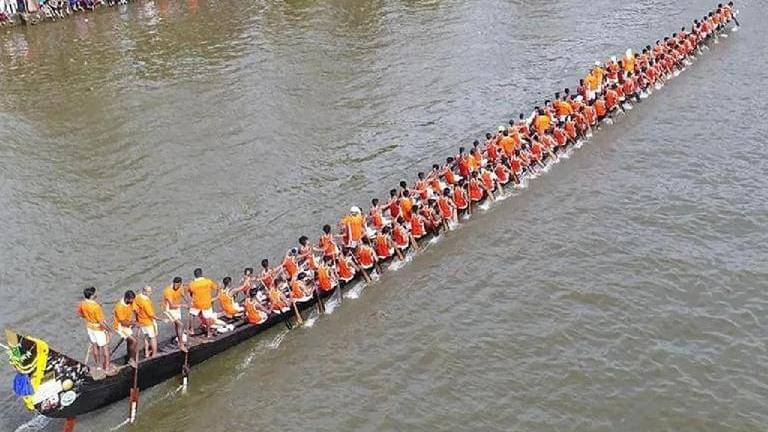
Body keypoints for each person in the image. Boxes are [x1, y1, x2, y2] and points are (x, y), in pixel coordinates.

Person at [76, 287, 113, 372]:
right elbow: (101, 322)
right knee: (105, 348)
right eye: (94, 293)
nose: (96, 294)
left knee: (94, 346)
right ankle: (107, 368)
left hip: (89, 327)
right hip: (98, 329)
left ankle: (98, 366)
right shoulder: (96, 307)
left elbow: (79, 314)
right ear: (92, 296)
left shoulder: (82, 303)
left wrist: (88, 317)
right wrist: (109, 330)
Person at [187, 268, 219, 338]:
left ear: (195, 275)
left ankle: (192, 330)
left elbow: (189, 292)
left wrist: (190, 301)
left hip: (196, 303)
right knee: (207, 317)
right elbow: (217, 288)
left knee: (192, 314)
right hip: (206, 303)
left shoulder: (192, 284)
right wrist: (216, 297)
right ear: (201, 274)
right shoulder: (208, 281)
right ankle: (208, 333)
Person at [113, 290, 138, 366]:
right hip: (120, 327)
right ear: (127, 299)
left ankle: (129, 356)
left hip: (127, 324)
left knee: (130, 342)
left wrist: (137, 318)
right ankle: (132, 360)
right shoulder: (119, 307)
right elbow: (123, 323)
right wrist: (134, 323)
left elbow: (135, 310)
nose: (133, 302)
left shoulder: (131, 302)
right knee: (134, 341)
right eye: (131, 300)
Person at [162, 276, 187, 352]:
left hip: (176, 308)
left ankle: (179, 338)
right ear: (173, 283)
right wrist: (183, 305)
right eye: (175, 285)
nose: (176, 287)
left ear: (180, 284)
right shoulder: (168, 291)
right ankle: (181, 344)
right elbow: (171, 305)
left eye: (178, 285)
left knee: (177, 325)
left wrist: (188, 302)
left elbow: (183, 295)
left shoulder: (180, 287)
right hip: (169, 309)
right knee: (180, 324)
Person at [134, 286, 159, 358]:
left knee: (145, 337)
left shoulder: (137, 297)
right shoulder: (146, 302)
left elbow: (135, 310)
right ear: (144, 291)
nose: (151, 293)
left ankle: (146, 353)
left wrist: (137, 320)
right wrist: (161, 319)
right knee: (153, 337)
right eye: (149, 291)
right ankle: (154, 354)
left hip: (141, 321)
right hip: (149, 322)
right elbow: (151, 315)